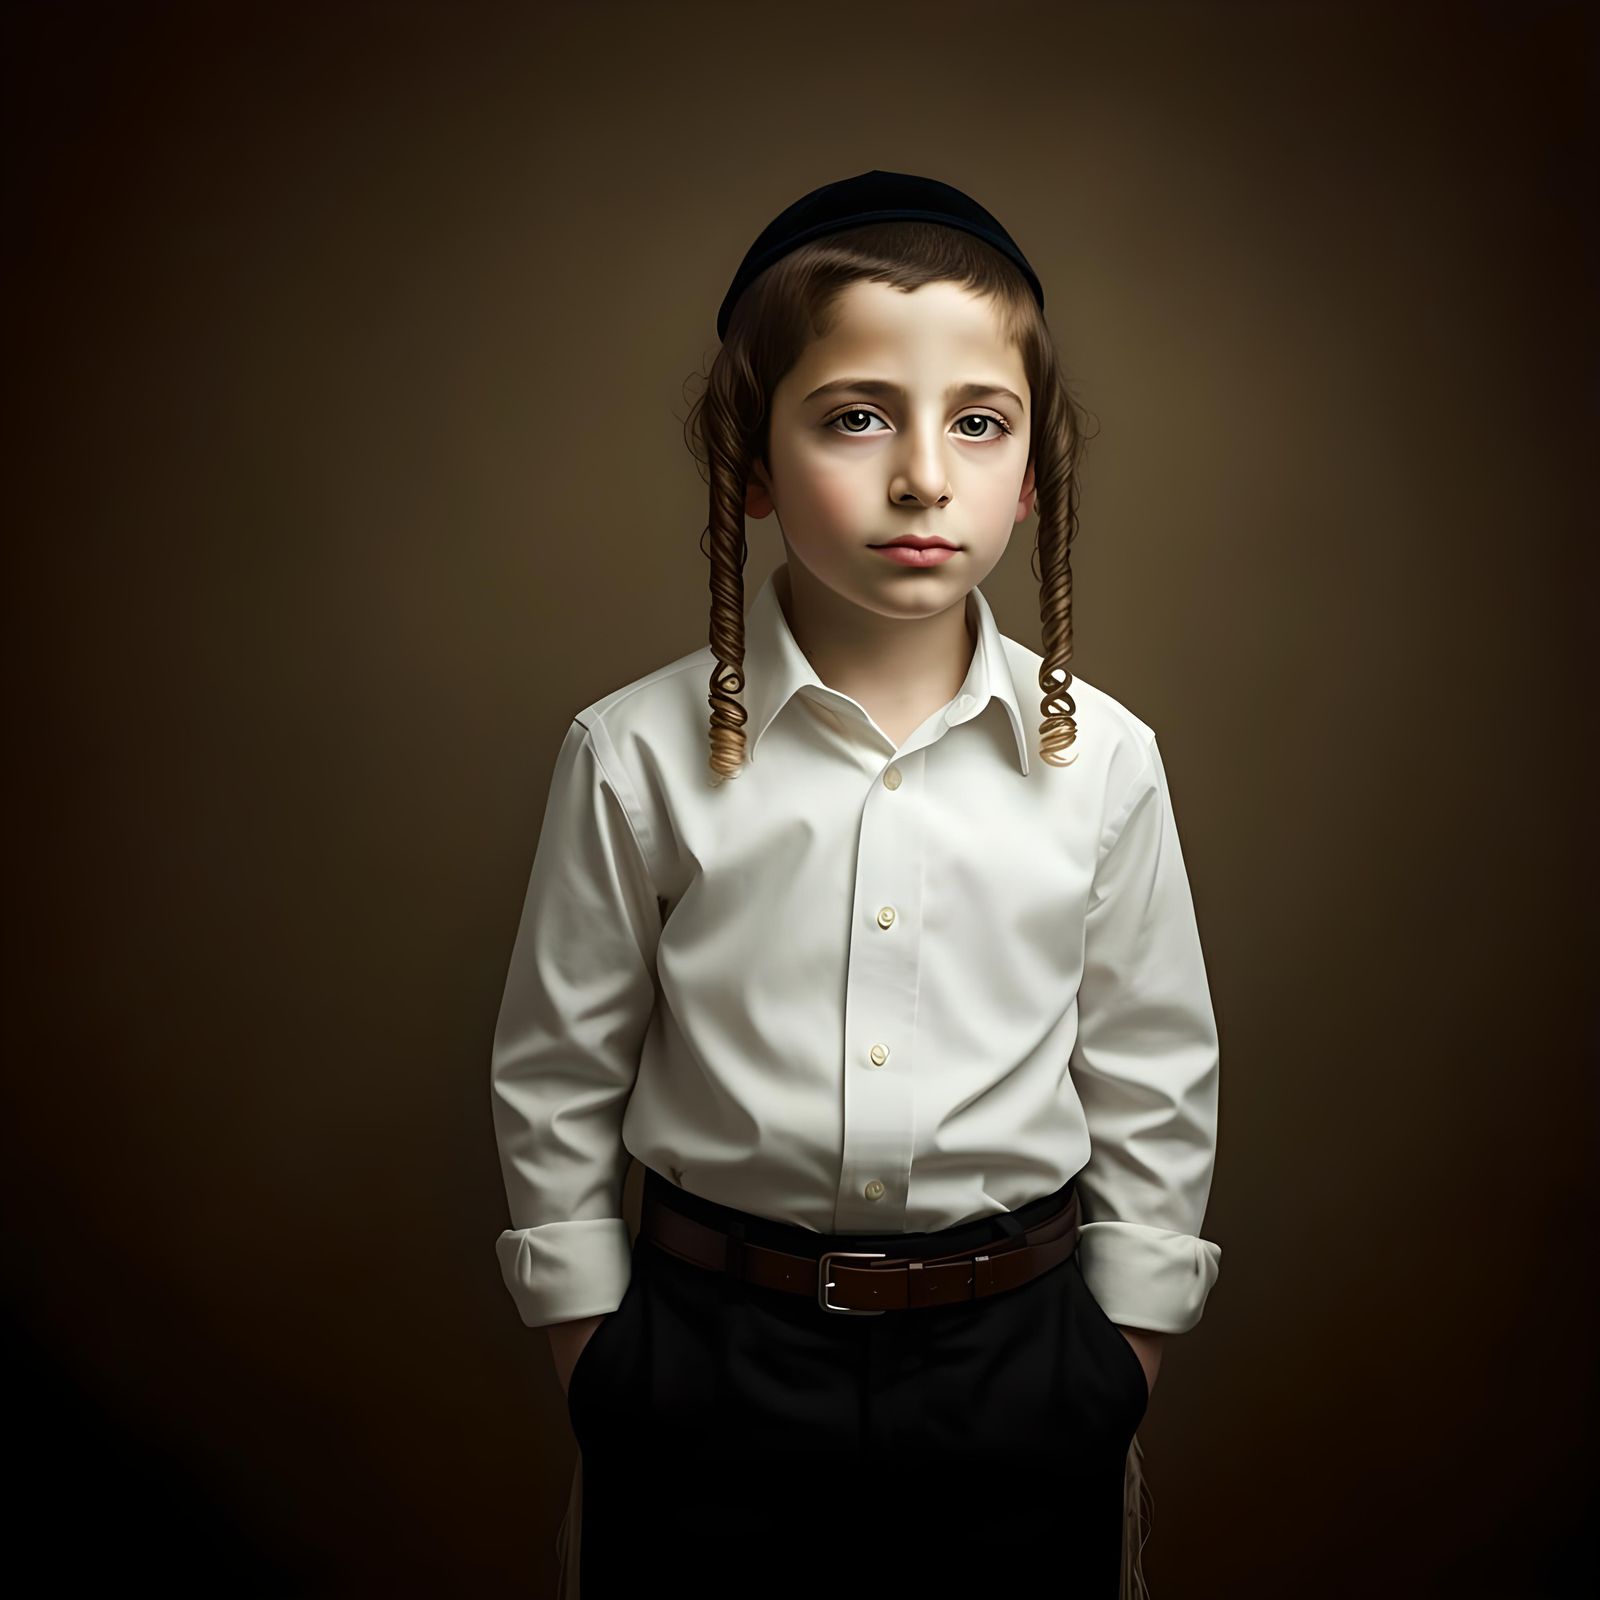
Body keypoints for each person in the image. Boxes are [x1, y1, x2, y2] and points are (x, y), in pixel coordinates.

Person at [489, 169, 1222, 1600]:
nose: (923, 477)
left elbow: (1152, 1064)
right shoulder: (633, 752)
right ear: (749, 462)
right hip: (707, 1357)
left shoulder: (1109, 761)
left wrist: (1118, 1359)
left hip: (1022, 1361)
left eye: (978, 423)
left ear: (1032, 468)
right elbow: (557, 1068)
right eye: (856, 416)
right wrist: (599, 1354)